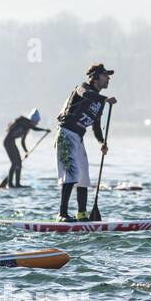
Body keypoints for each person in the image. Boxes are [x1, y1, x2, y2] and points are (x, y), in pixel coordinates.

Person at [55, 66, 116, 220]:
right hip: (66, 134)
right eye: (105, 75)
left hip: (78, 138)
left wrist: (102, 141)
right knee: (71, 174)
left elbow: (96, 125)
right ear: (95, 77)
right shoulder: (82, 88)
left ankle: (82, 214)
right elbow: (87, 95)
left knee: (83, 177)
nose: (108, 78)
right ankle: (62, 214)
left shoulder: (100, 102)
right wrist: (105, 99)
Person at [2, 109, 48, 188]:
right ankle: (10, 184)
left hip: (11, 142)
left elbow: (22, 142)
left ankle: (17, 184)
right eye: (37, 121)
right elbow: (34, 129)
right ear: (33, 120)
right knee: (15, 163)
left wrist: (26, 152)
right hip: (8, 142)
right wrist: (45, 130)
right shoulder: (26, 123)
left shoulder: (26, 127)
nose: (37, 123)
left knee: (18, 163)